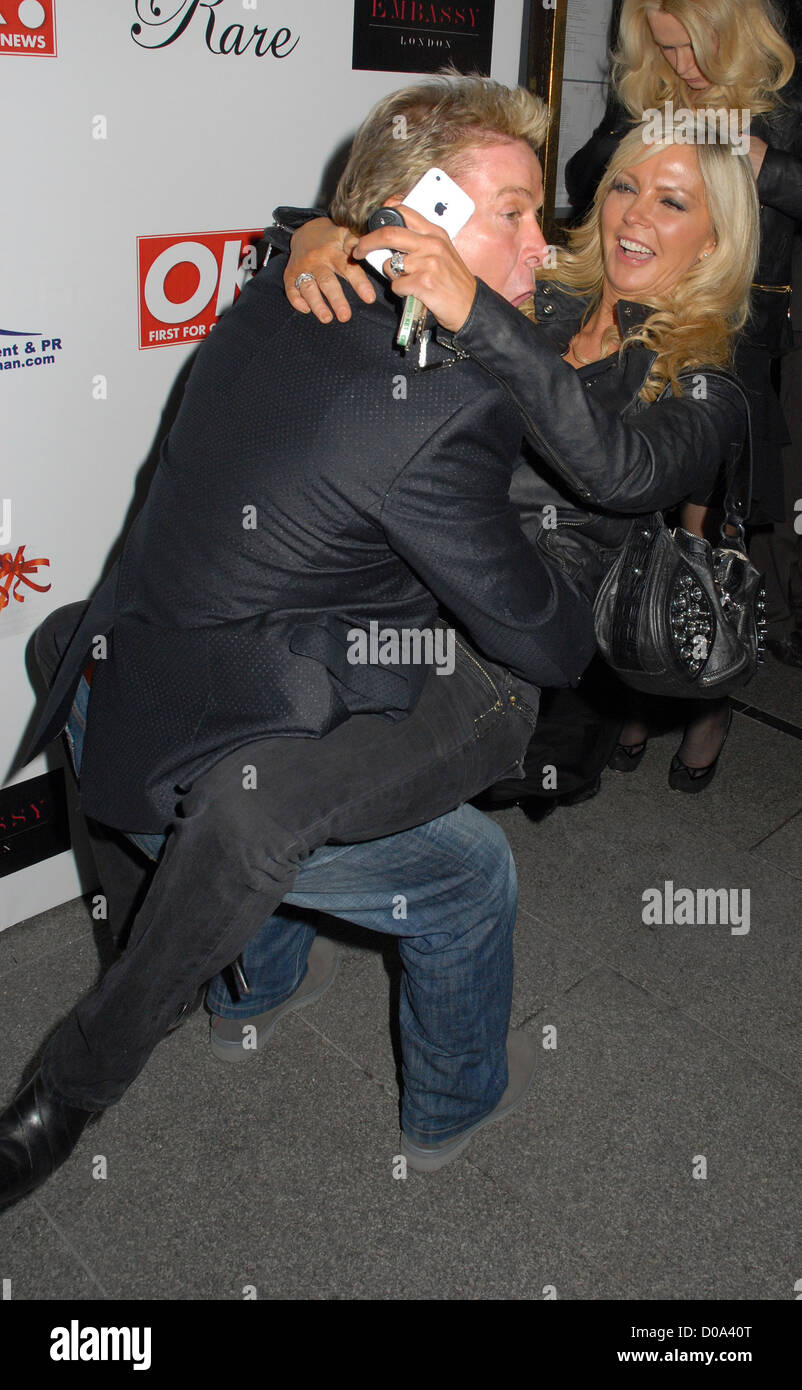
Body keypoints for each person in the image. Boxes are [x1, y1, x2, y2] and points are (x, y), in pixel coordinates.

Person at [0, 73, 600, 1206]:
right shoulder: (439, 399)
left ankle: (253, 987)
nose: (549, 246)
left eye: (548, 212)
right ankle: (442, 1096)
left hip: (173, 686)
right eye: (515, 213)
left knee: (287, 748)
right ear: (417, 220)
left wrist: (316, 231)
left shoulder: (278, 295)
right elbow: (550, 645)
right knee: (461, 870)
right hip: (279, 728)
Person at [261, 119, 757, 816]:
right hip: (404, 577)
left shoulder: (705, 386)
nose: (634, 215)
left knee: (309, 803)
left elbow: (623, 471)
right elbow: (368, 229)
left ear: (713, 240)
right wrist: (321, 237)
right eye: (624, 187)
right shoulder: (543, 286)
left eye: (672, 202)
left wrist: (477, 314)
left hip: (507, 649)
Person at [564, 0, 802, 781]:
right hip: (643, 320)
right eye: (666, 49)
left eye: (696, 48)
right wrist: (645, 136)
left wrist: (756, 159)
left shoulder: (783, 95)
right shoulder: (654, 88)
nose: (684, 66)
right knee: (639, 520)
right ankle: (637, 688)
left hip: (738, 329)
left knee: (705, 538)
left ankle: (706, 700)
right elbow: (583, 177)